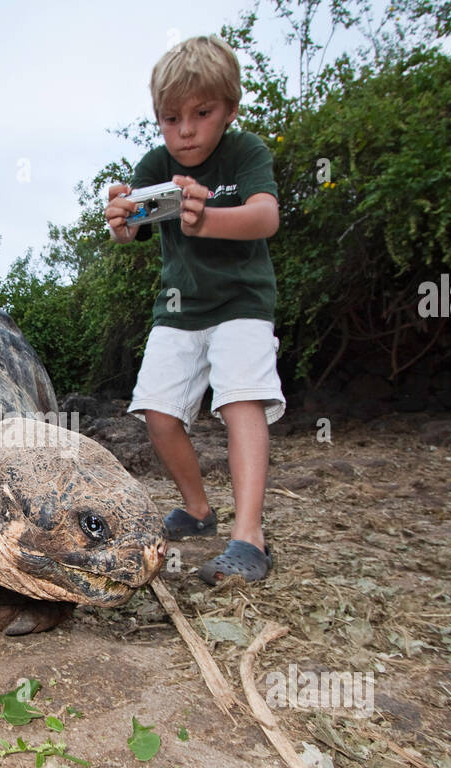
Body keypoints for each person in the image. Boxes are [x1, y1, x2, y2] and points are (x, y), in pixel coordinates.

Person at [105, 34, 285, 585]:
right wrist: (121, 223)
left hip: (242, 302)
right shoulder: (155, 162)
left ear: (228, 109)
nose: (185, 130)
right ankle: (199, 510)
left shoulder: (248, 151)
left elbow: (265, 218)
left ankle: (248, 539)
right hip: (178, 309)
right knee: (158, 414)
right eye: (170, 117)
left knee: (240, 404)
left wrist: (206, 217)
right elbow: (132, 232)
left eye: (201, 114)